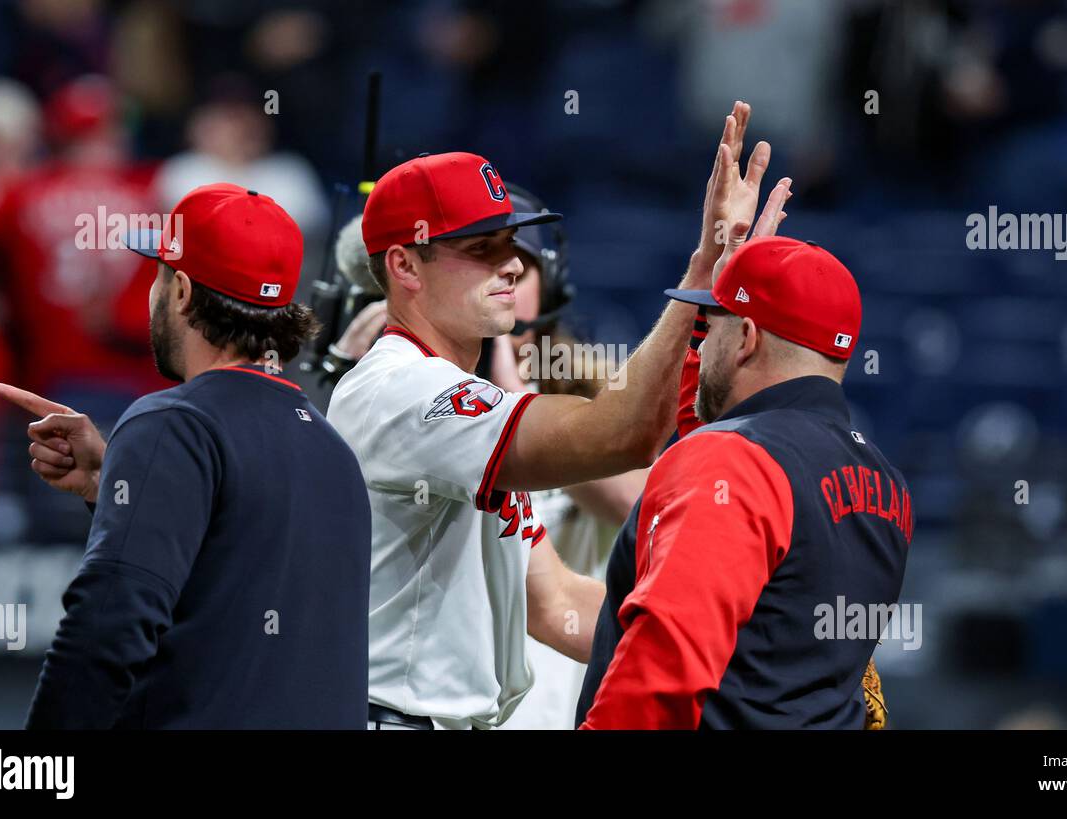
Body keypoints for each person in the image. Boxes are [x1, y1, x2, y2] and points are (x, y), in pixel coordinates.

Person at [327, 101, 792, 729]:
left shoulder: (455, 407)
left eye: (512, 245)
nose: (513, 263)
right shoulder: (400, 388)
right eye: (481, 248)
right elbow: (623, 435)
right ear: (404, 265)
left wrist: (734, 651)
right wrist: (702, 273)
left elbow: (556, 603)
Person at [0, 183, 372, 728]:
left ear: (181, 292)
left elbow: (105, 631)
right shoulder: (331, 446)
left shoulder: (172, 423)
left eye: (158, 274)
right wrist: (118, 485)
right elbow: (238, 598)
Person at [576, 234, 911, 729]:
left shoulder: (729, 461)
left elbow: (663, 673)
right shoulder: (885, 482)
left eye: (708, 329)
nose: (702, 343)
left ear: (746, 339)